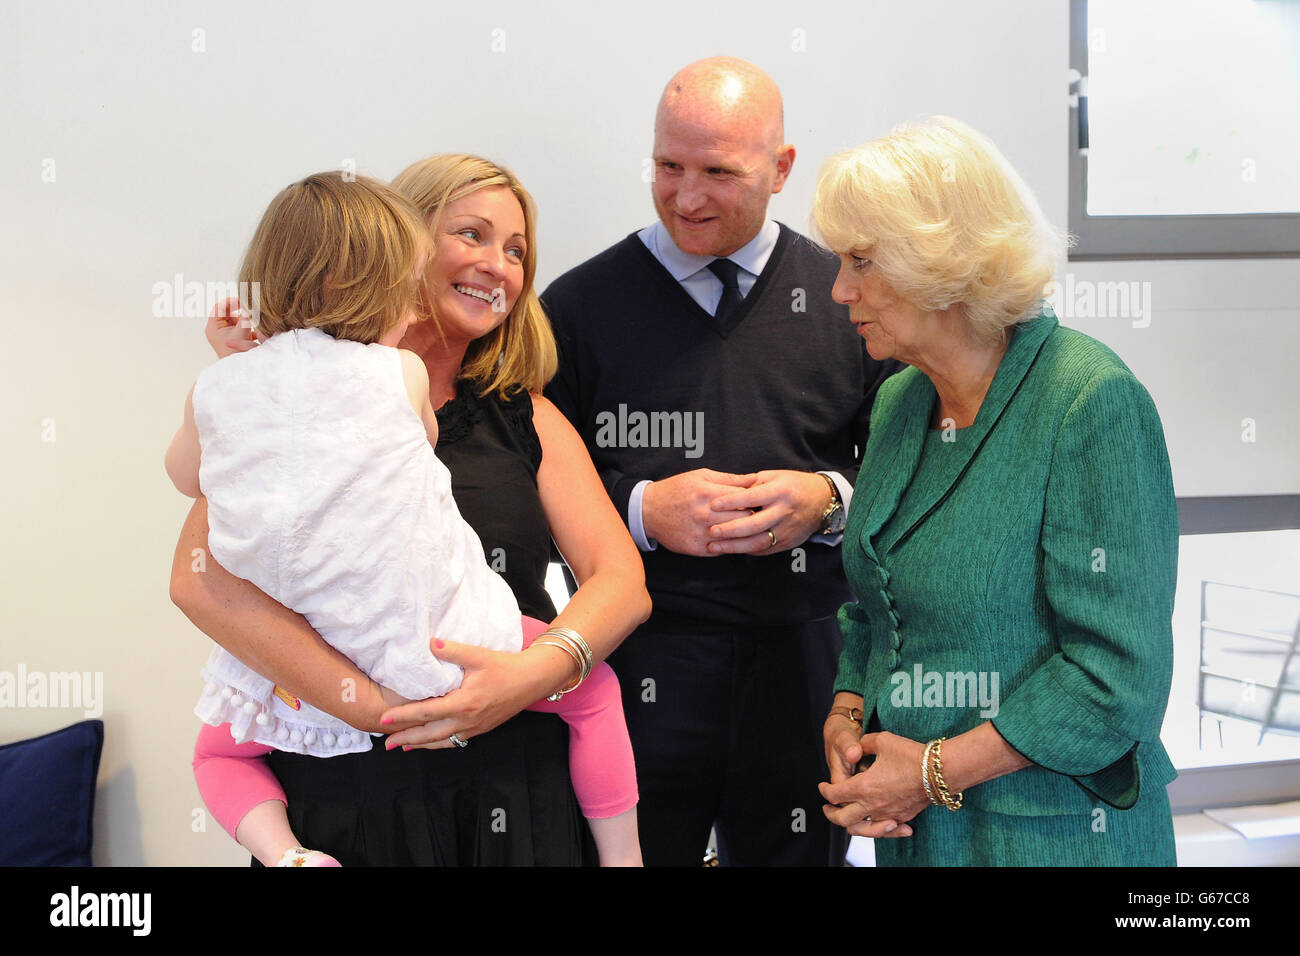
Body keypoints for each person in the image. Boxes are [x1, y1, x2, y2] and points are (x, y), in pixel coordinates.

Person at [170, 156, 651, 866]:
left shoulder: (531, 419)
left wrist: (533, 674)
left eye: (517, 251)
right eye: (473, 235)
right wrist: (373, 706)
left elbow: (621, 583)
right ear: (404, 249)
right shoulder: (278, 411)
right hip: (345, 798)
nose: (499, 265)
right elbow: (198, 580)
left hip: (508, 794)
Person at [541, 57, 902, 866]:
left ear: (781, 169)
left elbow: (910, 469)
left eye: (718, 173)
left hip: (810, 658)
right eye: (668, 167)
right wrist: (641, 512)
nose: (687, 196)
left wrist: (828, 498)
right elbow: (522, 486)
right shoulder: (576, 307)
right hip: (635, 657)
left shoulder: (851, 297)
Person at [812, 116, 1179, 866]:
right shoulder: (901, 402)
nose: (840, 289)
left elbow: (1116, 679)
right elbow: (876, 606)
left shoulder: (1089, 401)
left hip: (1054, 833)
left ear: (937, 260)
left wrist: (933, 774)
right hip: (922, 833)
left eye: (861, 262)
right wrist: (848, 709)